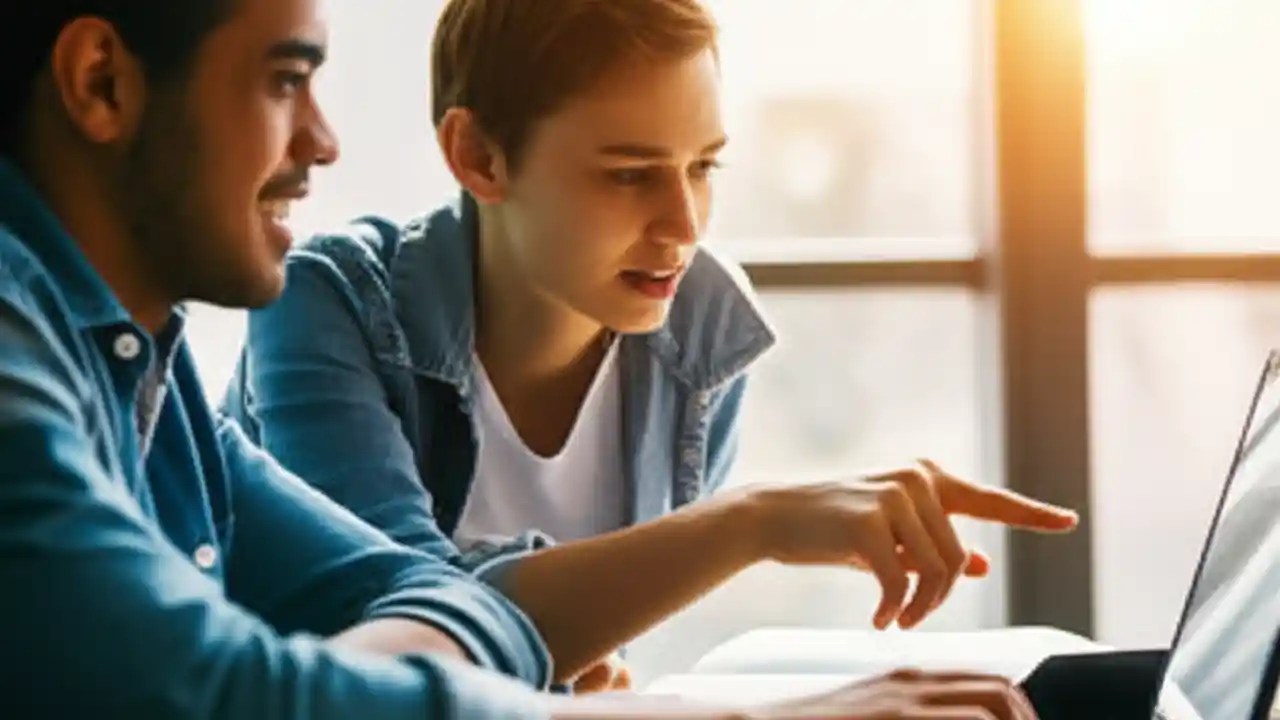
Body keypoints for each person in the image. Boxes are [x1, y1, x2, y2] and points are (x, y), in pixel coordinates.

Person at [0, 0, 1041, 717]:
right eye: (284, 82)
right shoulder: (20, 352)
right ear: (100, 82)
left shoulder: (150, 372)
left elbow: (429, 600)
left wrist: (437, 659)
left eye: (700, 168)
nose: (323, 141)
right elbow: (247, 696)